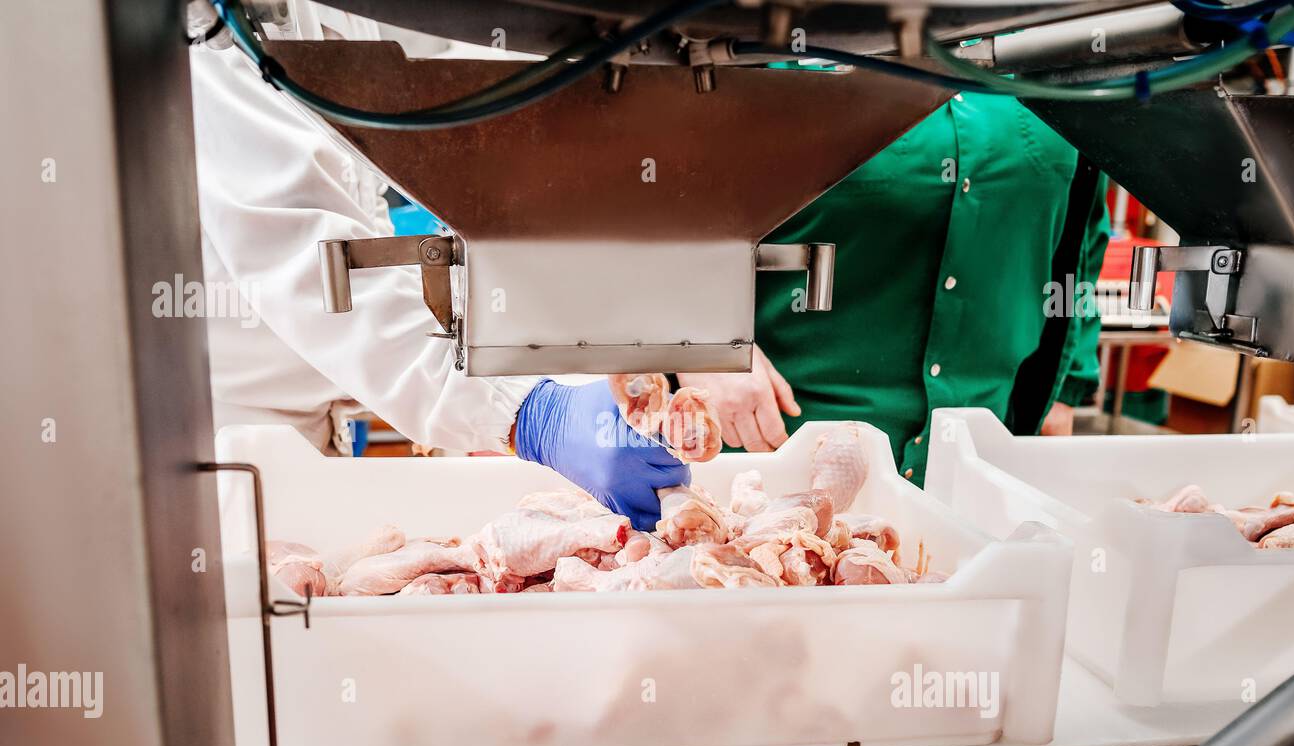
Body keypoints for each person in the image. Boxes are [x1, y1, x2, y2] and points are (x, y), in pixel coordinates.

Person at [188, 1, 686, 529]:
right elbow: (307, 253)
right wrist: (527, 414)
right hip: (228, 436)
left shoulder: (342, 11)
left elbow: (461, 59)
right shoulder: (211, 27)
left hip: (321, 424)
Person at [679, 91, 1109, 487]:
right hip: (774, 458)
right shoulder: (767, 42)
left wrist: (1065, 390)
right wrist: (693, 339)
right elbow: (646, 197)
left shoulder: (1049, 45)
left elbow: (1081, 235)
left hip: (976, 458)